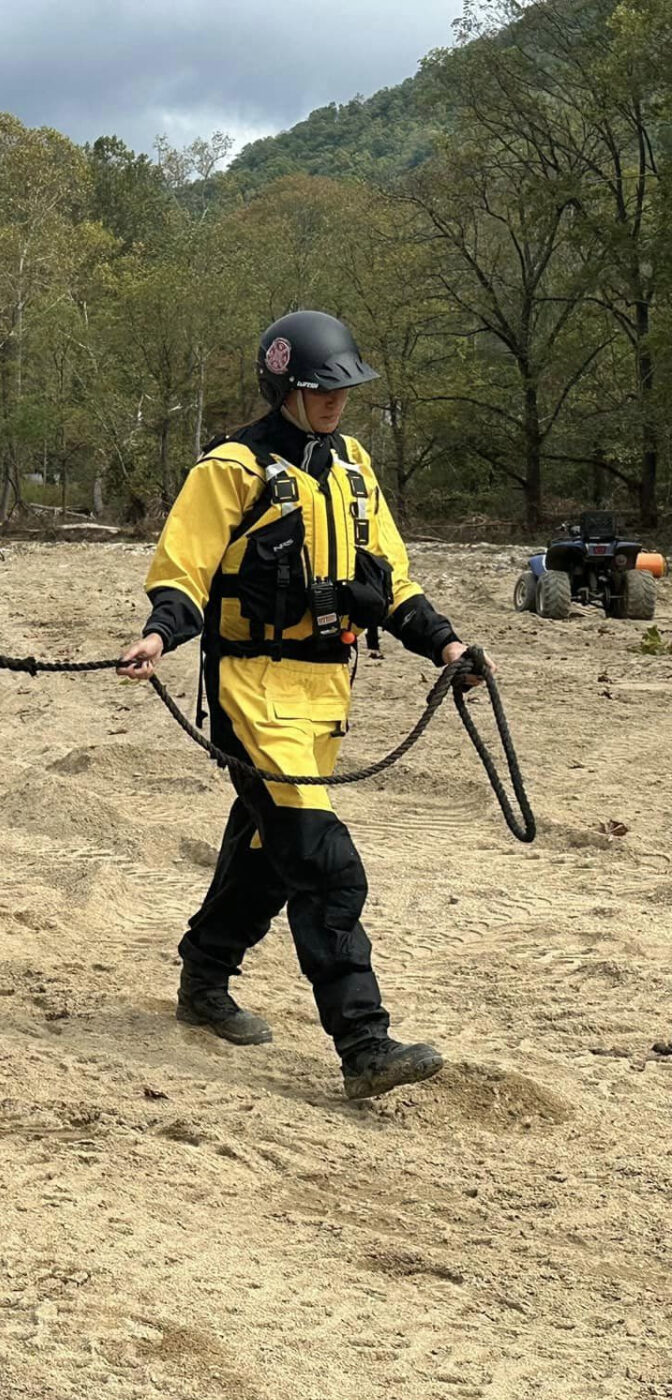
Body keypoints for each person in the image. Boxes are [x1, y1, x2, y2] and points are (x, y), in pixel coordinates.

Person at [117, 310, 487, 1101]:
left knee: (268, 851)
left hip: (324, 695)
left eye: (343, 389)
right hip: (250, 692)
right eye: (321, 389)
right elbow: (183, 569)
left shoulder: (352, 467)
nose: (336, 402)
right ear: (284, 386)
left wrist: (447, 646)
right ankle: (364, 1043)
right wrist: (158, 636)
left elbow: (393, 580)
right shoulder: (231, 468)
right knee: (325, 867)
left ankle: (204, 977)